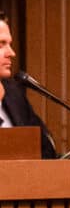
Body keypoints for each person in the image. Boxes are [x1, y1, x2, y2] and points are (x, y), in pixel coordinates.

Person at [0, 13, 57, 157]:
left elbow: (46, 148)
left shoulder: (13, 93)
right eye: (1, 44)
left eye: (10, 44)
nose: (11, 53)